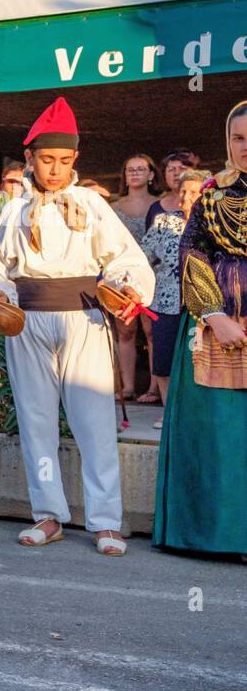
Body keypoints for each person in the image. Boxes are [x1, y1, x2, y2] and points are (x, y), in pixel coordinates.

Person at [0, 96, 155, 557]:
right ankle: (47, 515)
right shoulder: (13, 210)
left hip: (83, 317)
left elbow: (124, 258)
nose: (54, 169)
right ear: (30, 158)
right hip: (29, 323)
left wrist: (125, 286)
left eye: (63, 160)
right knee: (36, 420)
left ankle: (105, 521)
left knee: (93, 419)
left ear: (74, 160)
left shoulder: (91, 204)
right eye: (46, 159)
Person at [154, 101, 247, 559]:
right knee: (218, 436)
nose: (246, 147)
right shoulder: (211, 195)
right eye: (238, 138)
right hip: (217, 330)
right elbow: (192, 253)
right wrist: (216, 315)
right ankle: (213, 534)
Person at [140, 168, 210, 426]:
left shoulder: (214, 226)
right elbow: (141, 258)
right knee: (163, 360)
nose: (185, 196)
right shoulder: (164, 222)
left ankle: (195, 415)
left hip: (201, 309)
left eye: (193, 191)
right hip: (167, 302)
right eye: (182, 190)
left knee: (196, 361)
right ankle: (170, 414)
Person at [112, 154, 163, 403]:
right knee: (125, 330)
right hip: (123, 277)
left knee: (152, 331)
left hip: (155, 274)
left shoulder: (161, 204)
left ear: (151, 175)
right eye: (129, 169)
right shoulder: (114, 207)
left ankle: (154, 388)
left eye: (140, 169)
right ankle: (128, 387)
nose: (134, 173)